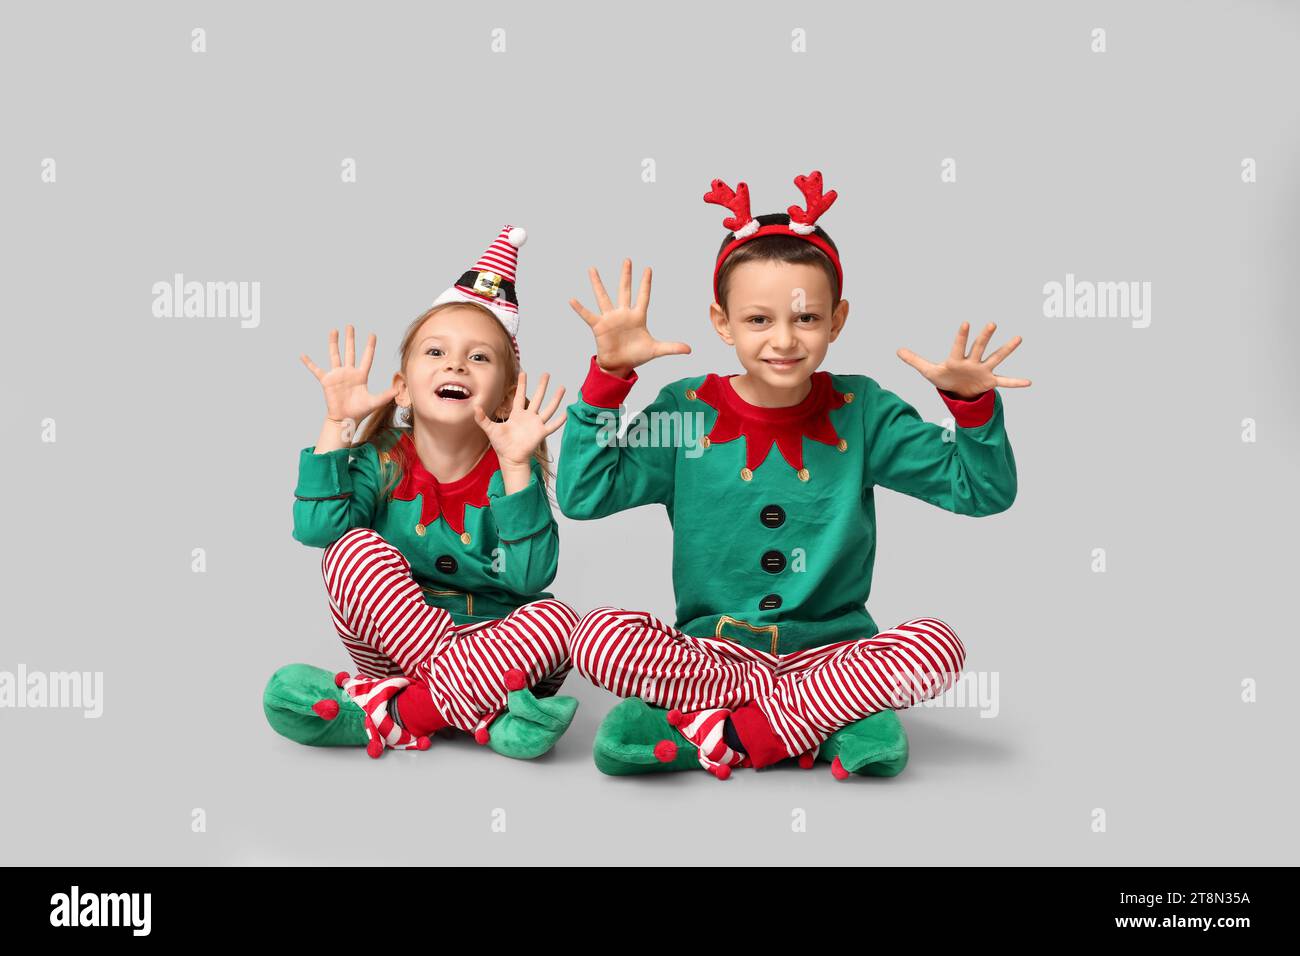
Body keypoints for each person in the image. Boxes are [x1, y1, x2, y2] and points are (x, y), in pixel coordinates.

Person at [558, 173, 1029, 779]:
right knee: (598, 635)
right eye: (758, 320)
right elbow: (583, 494)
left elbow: (982, 491)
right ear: (721, 322)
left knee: (936, 645)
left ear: (837, 321)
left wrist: (971, 410)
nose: (784, 339)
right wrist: (607, 379)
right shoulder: (685, 409)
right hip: (712, 654)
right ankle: (818, 724)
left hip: (835, 656)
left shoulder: (865, 412)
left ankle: (725, 731)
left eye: (806, 319)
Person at [263, 225, 580, 760]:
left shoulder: (508, 473)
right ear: (404, 387)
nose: (456, 364)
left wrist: (519, 465)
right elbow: (316, 531)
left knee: (558, 621)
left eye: (479, 357)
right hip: (396, 651)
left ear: (505, 396)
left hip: (499, 648)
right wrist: (336, 423)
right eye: (436, 352)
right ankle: (480, 708)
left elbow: (530, 578)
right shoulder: (381, 460)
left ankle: (396, 714)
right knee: (351, 552)